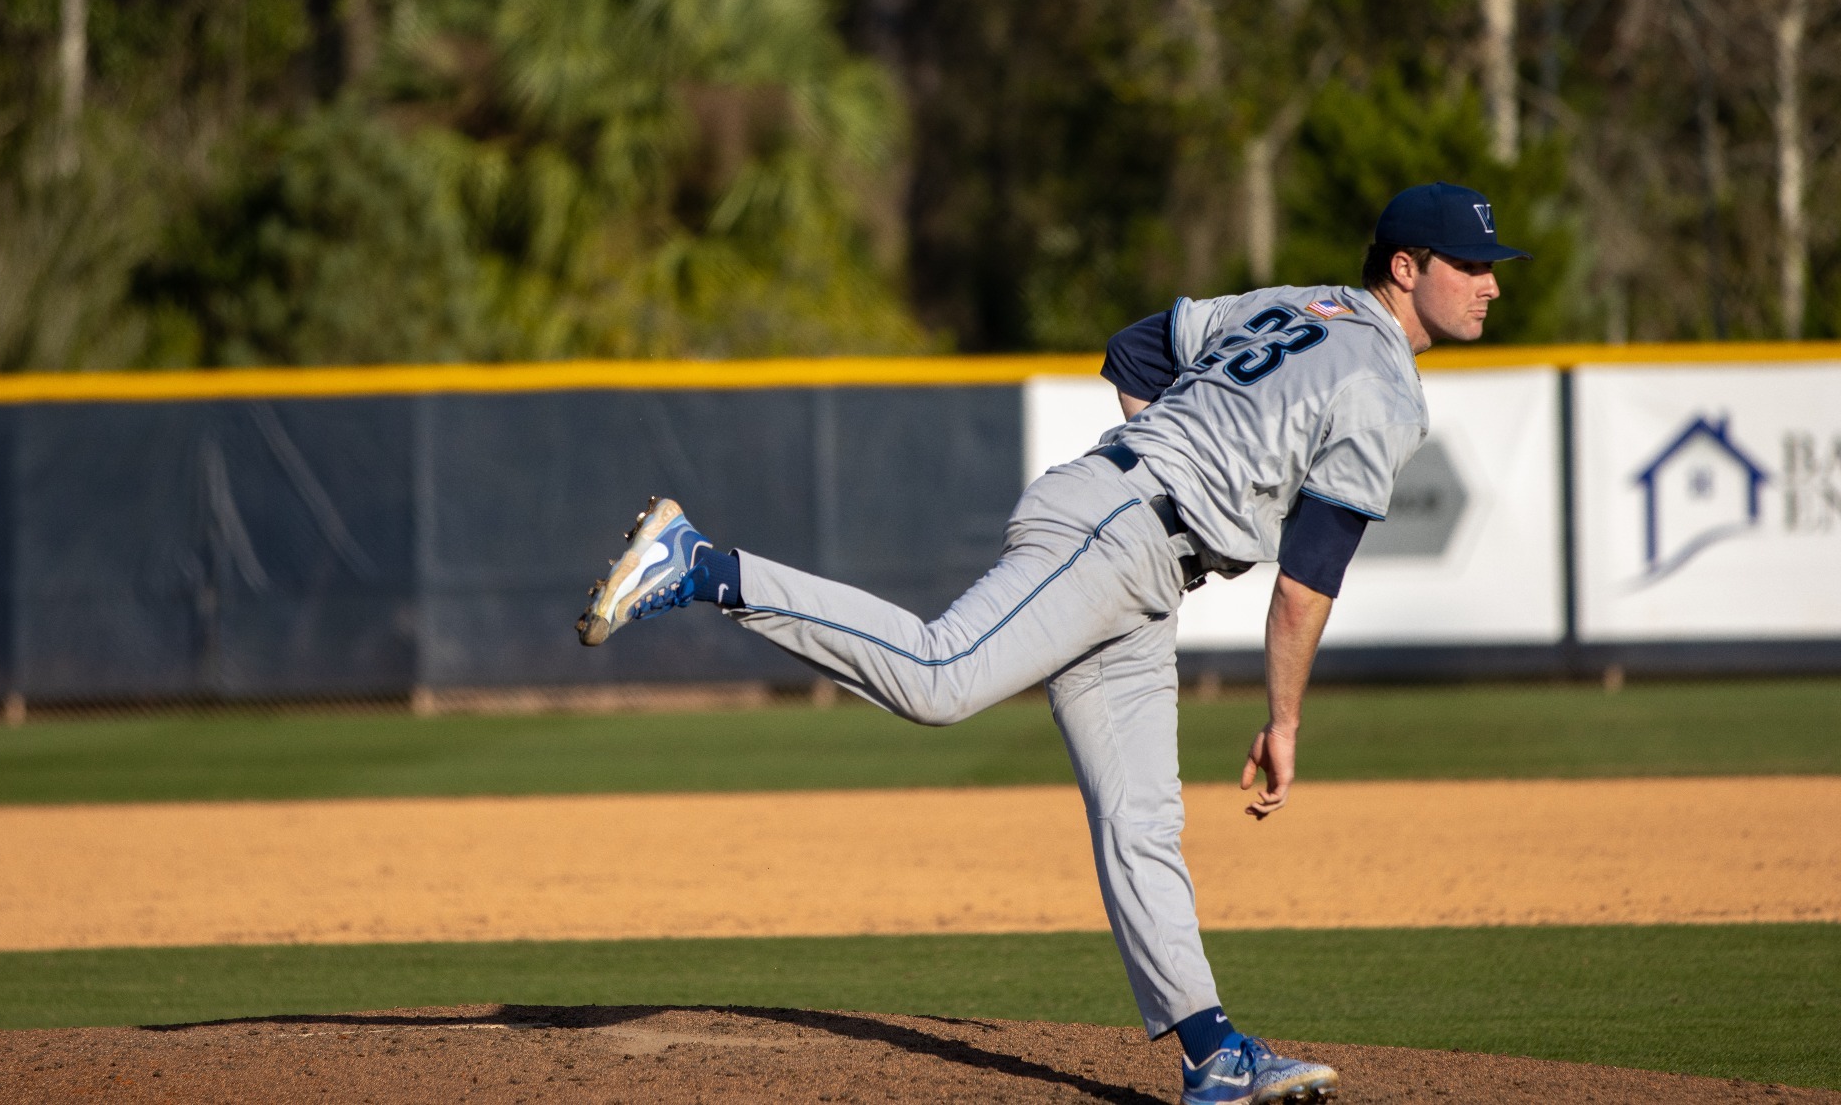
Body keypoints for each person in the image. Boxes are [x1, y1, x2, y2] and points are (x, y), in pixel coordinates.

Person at [576, 181, 1528, 1105]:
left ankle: (1212, 1057)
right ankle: (703, 563)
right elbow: (1307, 581)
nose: (1490, 282)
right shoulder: (1386, 386)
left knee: (1141, 821)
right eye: (1472, 263)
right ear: (1407, 267)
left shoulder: (1300, 305)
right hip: (1116, 535)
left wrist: (1163, 472)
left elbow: (1138, 347)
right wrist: (1282, 718)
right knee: (941, 675)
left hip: (1139, 553)